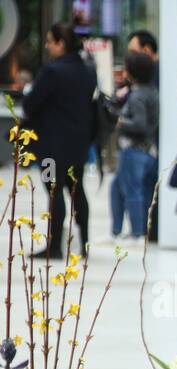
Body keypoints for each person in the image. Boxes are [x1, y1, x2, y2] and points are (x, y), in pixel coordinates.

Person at [21, 22, 96, 260]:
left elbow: (30, 105)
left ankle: (54, 247)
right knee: (78, 191)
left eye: (50, 41)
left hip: (51, 148)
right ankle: (84, 242)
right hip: (79, 145)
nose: (46, 46)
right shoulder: (87, 71)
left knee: (54, 193)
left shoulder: (52, 72)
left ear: (60, 44)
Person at [110, 52, 158, 242]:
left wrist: (119, 121)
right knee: (122, 188)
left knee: (131, 191)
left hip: (134, 149)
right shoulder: (151, 91)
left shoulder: (137, 96)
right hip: (146, 150)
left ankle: (136, 232)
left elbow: (139, 124)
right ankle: (120, 230)